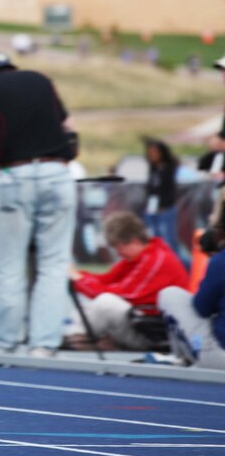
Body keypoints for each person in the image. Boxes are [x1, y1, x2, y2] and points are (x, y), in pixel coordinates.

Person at [0, 52, 77, 357]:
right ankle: (44, 344)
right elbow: (67, 126)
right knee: (53, 266)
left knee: (7, 266)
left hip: (15, 175)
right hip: (58, 174)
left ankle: (4, 342)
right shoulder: (41, 80)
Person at [65, 211, 188, 351]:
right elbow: (106, 280)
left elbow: (120, 294)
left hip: (155, 336)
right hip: (142, 325)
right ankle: (76, 337)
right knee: (88, 306)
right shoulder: (141, 256)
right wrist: (77, 275)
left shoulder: (157, 260)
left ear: (133, 241)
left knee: (105, 302)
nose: (118, 253)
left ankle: (75, 339)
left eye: (118, 247)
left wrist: (77, 279)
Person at [158, 243, 225, 370]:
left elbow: (201, 308)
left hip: (219, 359)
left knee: (169, 294)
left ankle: (180, 358)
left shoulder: (221, 260)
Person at [142, 139, 182, 259]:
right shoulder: (153, 168)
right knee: (155, 239)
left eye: (155, 152)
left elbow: (168, 190)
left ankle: (183, 268)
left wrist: (164, 206)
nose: (152, 154)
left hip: (166, 209)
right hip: (152, 209)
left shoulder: (169, 168)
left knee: (169, 242)